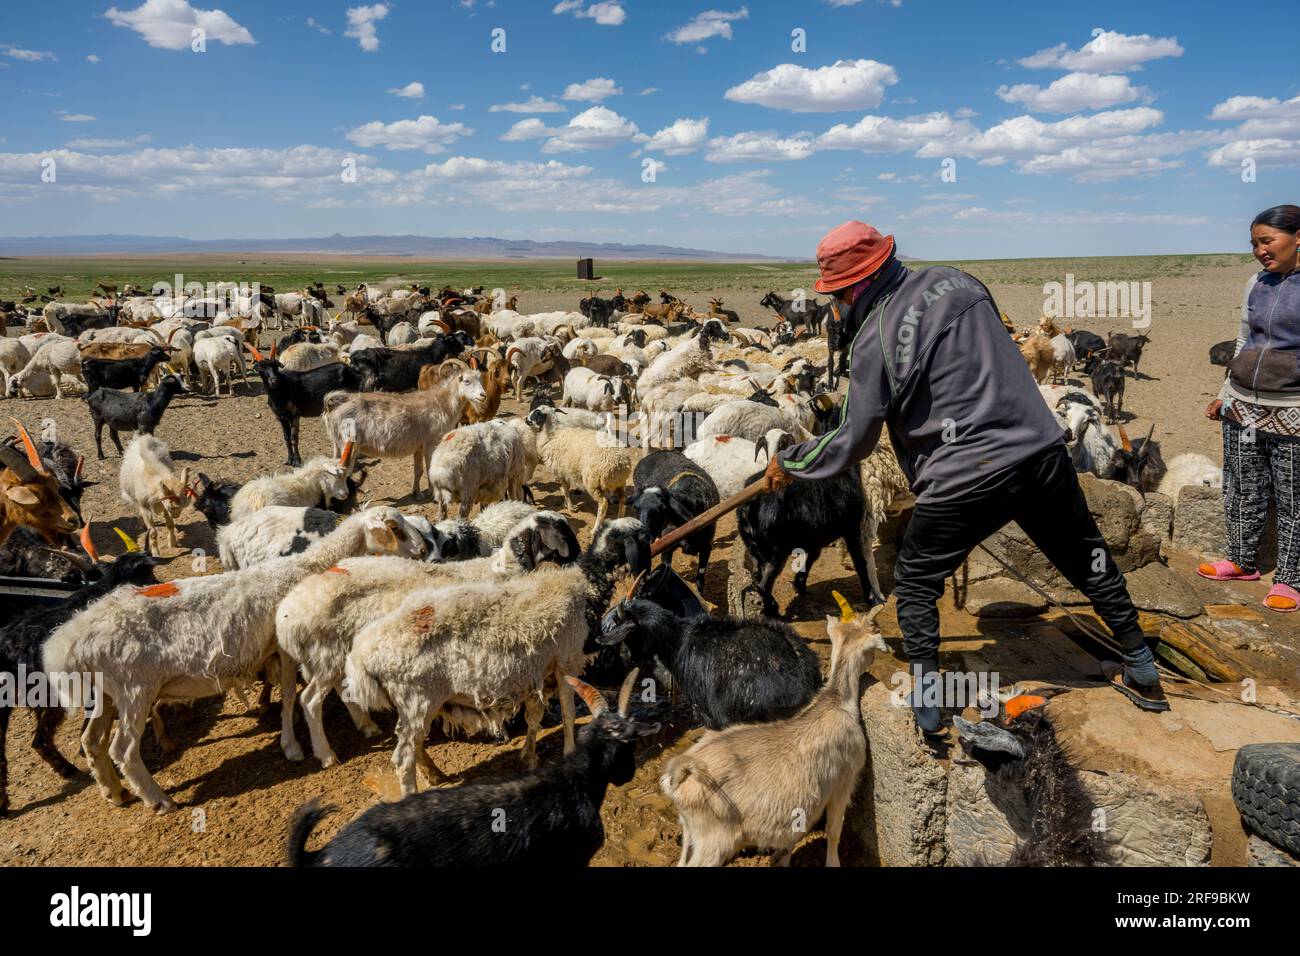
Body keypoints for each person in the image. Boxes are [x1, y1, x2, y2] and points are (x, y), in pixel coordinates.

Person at [762, 220, 1169, 732]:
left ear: (859, 285)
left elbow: (855, 437)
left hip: (963, 475)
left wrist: (793, 462)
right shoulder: (962, 282)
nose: (838, 306)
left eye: (840, 295)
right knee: (1084, 553)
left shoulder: (874, 338)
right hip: (1039, 451)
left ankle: (929, 707)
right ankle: (1141, 666)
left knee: (914, 583)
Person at [1200, 204, 1300, 610]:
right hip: (1243, 404)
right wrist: (1225, 391)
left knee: (1294, 497)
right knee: (1242, 487)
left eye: (1267, 241)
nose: (1260, 250)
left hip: (1294, 406)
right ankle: (1242, 561)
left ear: (1298, 238)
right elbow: (1244, 340)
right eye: (1254, 243)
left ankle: (1292, 579)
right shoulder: (1255, 283)